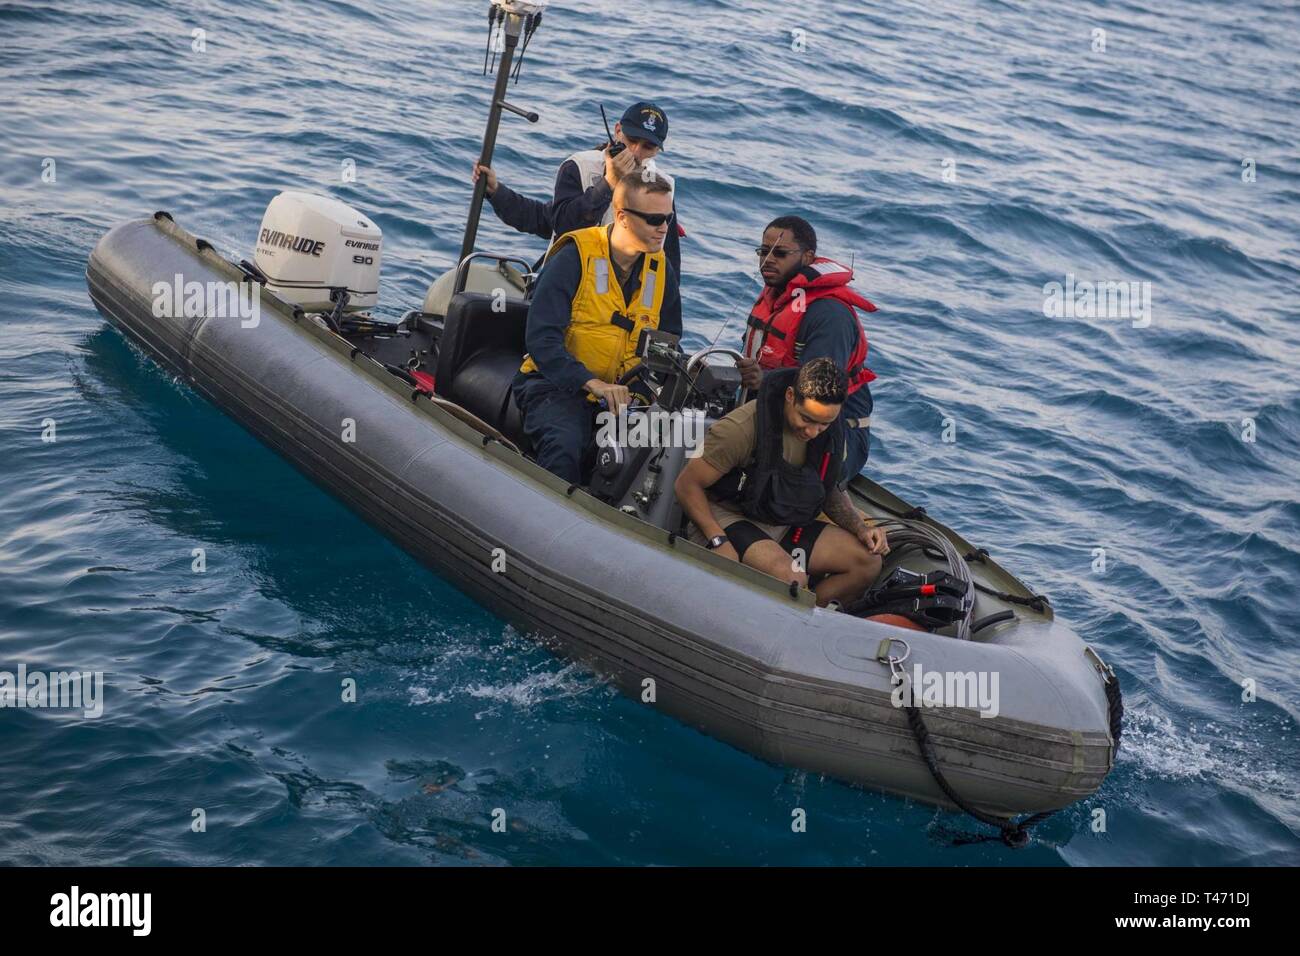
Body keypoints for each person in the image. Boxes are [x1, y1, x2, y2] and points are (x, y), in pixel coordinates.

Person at [674, 358, 889, 607]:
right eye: (806, 419)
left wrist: (860, 528)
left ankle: (807, 622)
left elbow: (827, 487)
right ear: (790, 396)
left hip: (783, 517)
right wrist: (717, 539)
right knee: (792, 578)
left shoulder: (827, 433)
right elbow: (686, 485)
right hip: (728, 515)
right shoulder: (741, 429)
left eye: (824, 423)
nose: (812, 431)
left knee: (867, 561)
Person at [511, 174, 681, 484]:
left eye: (668, 218)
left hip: (626, 398)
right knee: (565, 447)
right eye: (655, 219)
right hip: (556, 386)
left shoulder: (661, 270)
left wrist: (651, 393)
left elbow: (666, 347)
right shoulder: (575, 256)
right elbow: (542, 339)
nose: (664, 228)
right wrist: (591, 383)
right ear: (622, 217)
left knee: (669, 453)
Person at [735, 216, 878, 489]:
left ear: (807, 257)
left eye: (780, 253)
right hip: (777, 413)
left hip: (832, 433)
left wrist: (764, 380)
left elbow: (821, 392)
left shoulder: (829, 315)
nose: (768, 260)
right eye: (763, 252)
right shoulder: (776, 298)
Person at [551, 101, 682, 274]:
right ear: (618, 131)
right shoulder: (579, 165)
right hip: (571, 275)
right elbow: (563, 226)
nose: (635, 152)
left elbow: (670, 259)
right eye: (632, 140)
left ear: (657, 150)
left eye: (648, 147)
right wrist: (609, 182)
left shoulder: (662, 185)